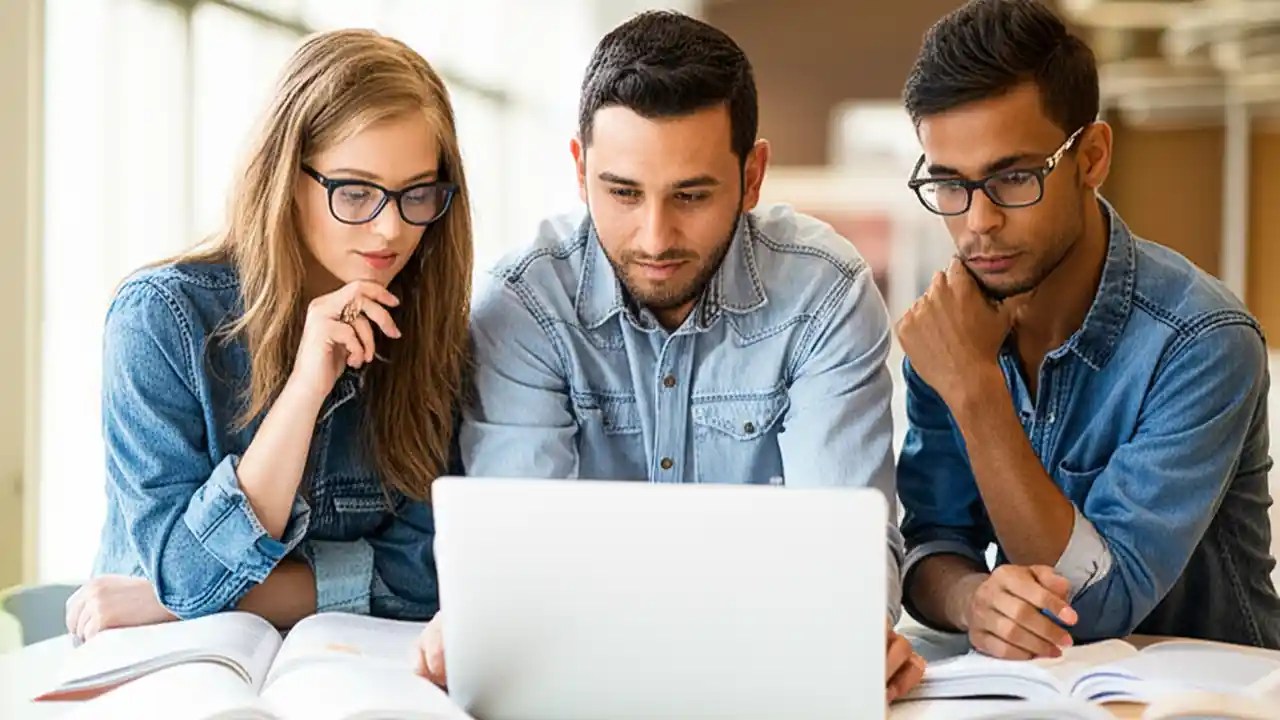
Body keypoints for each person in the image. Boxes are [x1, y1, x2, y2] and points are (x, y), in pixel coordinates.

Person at [414, 10, 924, 702]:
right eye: (622, 192)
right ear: (580, 169)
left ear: (752, 177)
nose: (655, 237)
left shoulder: (824, 295)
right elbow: (520, 570)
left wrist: (856, 631)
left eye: (692, 195)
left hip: (765, 690)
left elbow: (848, 563)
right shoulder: (525, 305)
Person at [895, 0, 1280, 659]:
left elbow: (1095, 606)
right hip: (1036, 691)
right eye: (950, 184)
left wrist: (976, 388)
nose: (978, 222)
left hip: (1204, 692)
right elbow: (932, 541)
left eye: (1015, 177)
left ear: (1092, 157)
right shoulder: (951, 327)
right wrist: (973, 600)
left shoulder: (1202, 340)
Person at [66, 29, 472, 641]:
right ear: (286, 177)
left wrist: (217, 597)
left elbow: (429, 573)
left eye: (416, 193)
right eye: (355, 192)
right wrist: (305, 390)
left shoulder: (435, 333)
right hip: (169, 671)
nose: (391, 229)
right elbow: (186, 575)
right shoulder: (161, 320)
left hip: (346, 671)